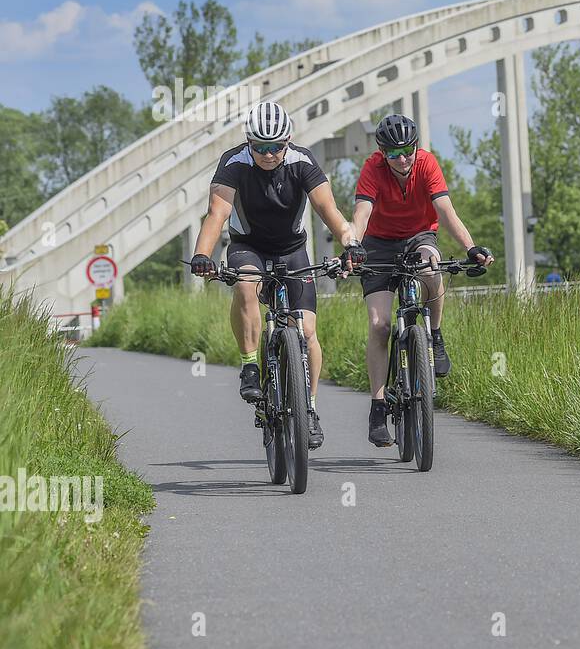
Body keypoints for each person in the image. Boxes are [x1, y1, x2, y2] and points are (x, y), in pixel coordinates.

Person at [189, 101, 363, 451]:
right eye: (260, 148)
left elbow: (329, 211)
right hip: (248, 246)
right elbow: (216, 212)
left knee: (308, 331)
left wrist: (351, 243)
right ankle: (250, 365)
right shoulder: (233, 163)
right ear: (248, 143)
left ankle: (309, 408)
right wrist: (202, 254)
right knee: (245, 282)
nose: (269, 155)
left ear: (289, 141)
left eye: (277, 147)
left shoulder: (302, 161)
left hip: (292, 249)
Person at [349, 114, 494, 447]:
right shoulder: (373, 169)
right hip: (379, 243)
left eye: (408, 151)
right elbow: (362, 213)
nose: (402, 159)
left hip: (418, 236)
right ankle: (377, 406)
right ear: (382, 153)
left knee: (431, 268)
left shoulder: (427, 163)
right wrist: (352, 247)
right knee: (380, 325)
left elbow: (445, 210)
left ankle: (436, 335)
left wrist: (471, 248)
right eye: (394, 153)